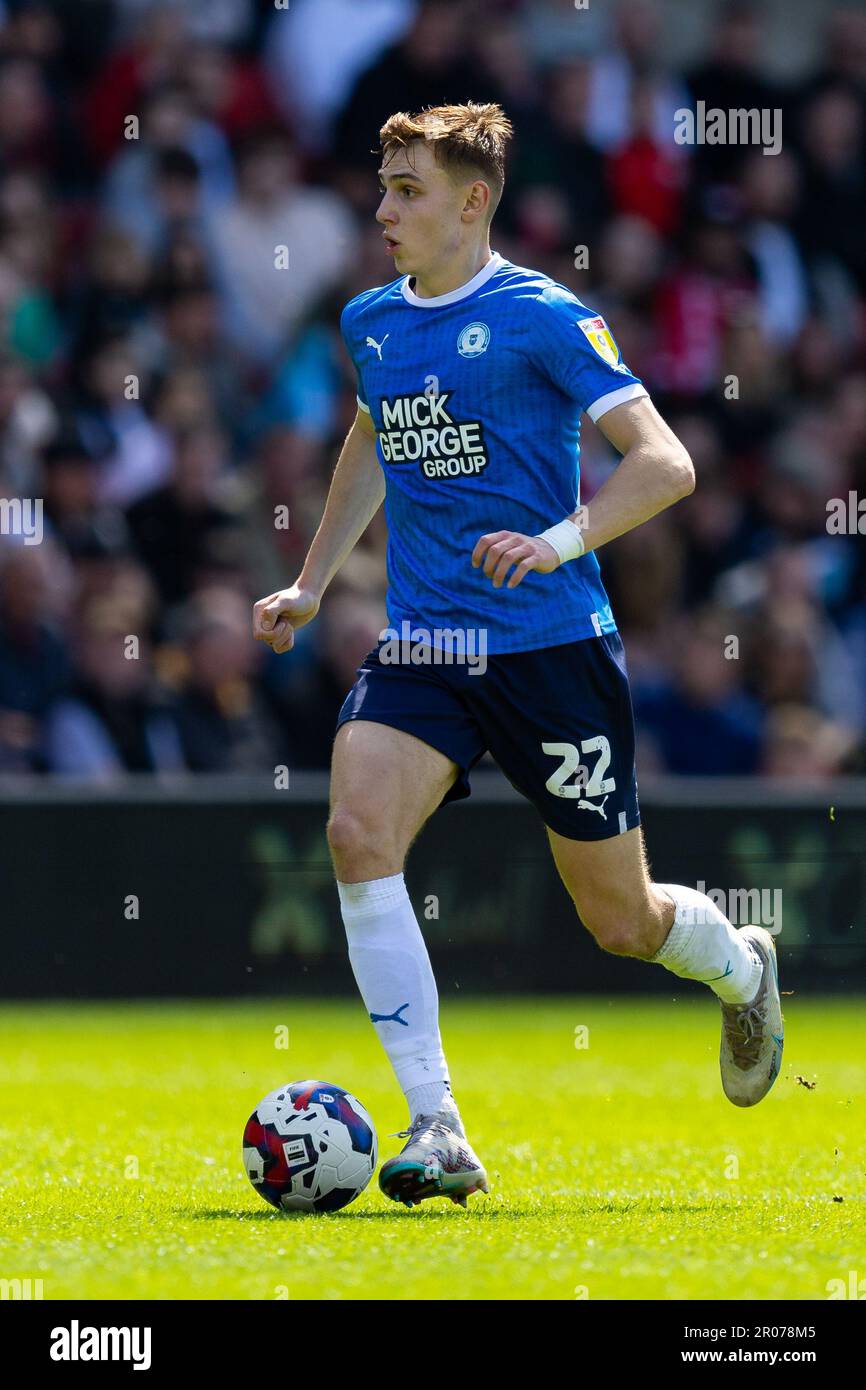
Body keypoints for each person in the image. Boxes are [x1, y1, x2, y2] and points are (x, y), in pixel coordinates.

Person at [252, 103, 783, 1210]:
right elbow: (371, 432)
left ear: (471, 201)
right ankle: (435, 1122)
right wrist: (311, 579)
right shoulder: (369, 321)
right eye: (383, 185)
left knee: (619, 921)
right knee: (355, 833)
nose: (383, 208)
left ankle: (739, 965)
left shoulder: (542, 316)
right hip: (427, 644)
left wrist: (553, 543)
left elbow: (666, 464)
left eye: (406, 189)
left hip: (551, 651)